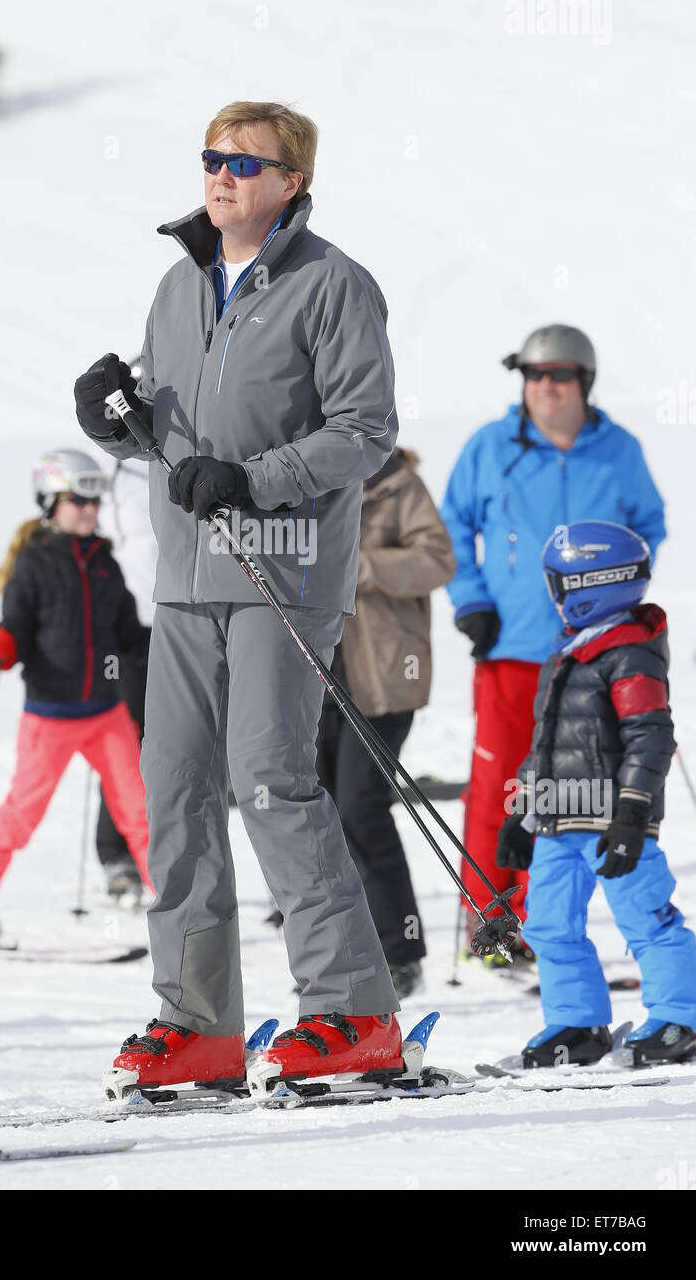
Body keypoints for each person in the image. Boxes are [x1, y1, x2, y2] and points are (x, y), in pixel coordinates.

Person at [75, 100, 407, 1092]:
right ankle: (198, 1020)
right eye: (211, 158)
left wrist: (253, 478)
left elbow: (364, 429)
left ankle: (350, 1010)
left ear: (290, 182)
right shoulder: (178, 287)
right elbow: (170, 434)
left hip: (282, 569)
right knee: (173, 793)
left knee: (268, 782)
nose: (220, 176)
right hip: (185, 578)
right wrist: (113, 416)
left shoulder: (333, 285)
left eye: (243, 163)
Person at [440, 326, 666, 954]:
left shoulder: (618, 449)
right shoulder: (491, 447)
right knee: (499, 791)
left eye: (560, 375)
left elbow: (649, 526)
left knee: (571, 793)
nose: (546, 387)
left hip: (597, 654)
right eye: (534, 375)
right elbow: (450, 527)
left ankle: (546, 929)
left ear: (583, 383)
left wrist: (627, 595)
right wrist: (473, 603)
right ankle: (488, 927)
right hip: (511, 650)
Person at [0, 448, 151, 946]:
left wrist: (172, 643)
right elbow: (17, 624)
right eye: (78, 500)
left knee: (141, 811)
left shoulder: (105, 562)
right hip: (50, 714)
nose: (90, 510)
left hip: (106, 711)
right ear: (51, 502)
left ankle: (182, 913)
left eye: (96, 500)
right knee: (21, 815)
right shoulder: (33, 563)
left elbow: (129, 634)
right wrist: (6, 645)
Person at [496, 520, 696, 1067]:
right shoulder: (570, 652)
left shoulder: (631, 652)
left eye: (561, 585)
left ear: (592, 585)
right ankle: (578, 1024)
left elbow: (650, 736)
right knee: (548, 922)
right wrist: (521, 813)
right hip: (561, 823)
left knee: (644, 915)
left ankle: (683, 1017)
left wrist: (631, 813)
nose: (555, 598)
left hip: (613, 820)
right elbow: (545, 748)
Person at [316, 447, 455, 1000]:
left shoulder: (397, 482)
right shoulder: (299, 475)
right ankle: (341, 944)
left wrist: (365, 565)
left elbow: (439, 559)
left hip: (385, 680)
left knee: (361, 806)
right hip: (317, 672)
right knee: (320, 811)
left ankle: (400, 951)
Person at [95, 458, 156, 905]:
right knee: (126, 738)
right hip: (131, 629)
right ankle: (117, 851)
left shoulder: (179, 449)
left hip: (188, 618)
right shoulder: (109, 466)